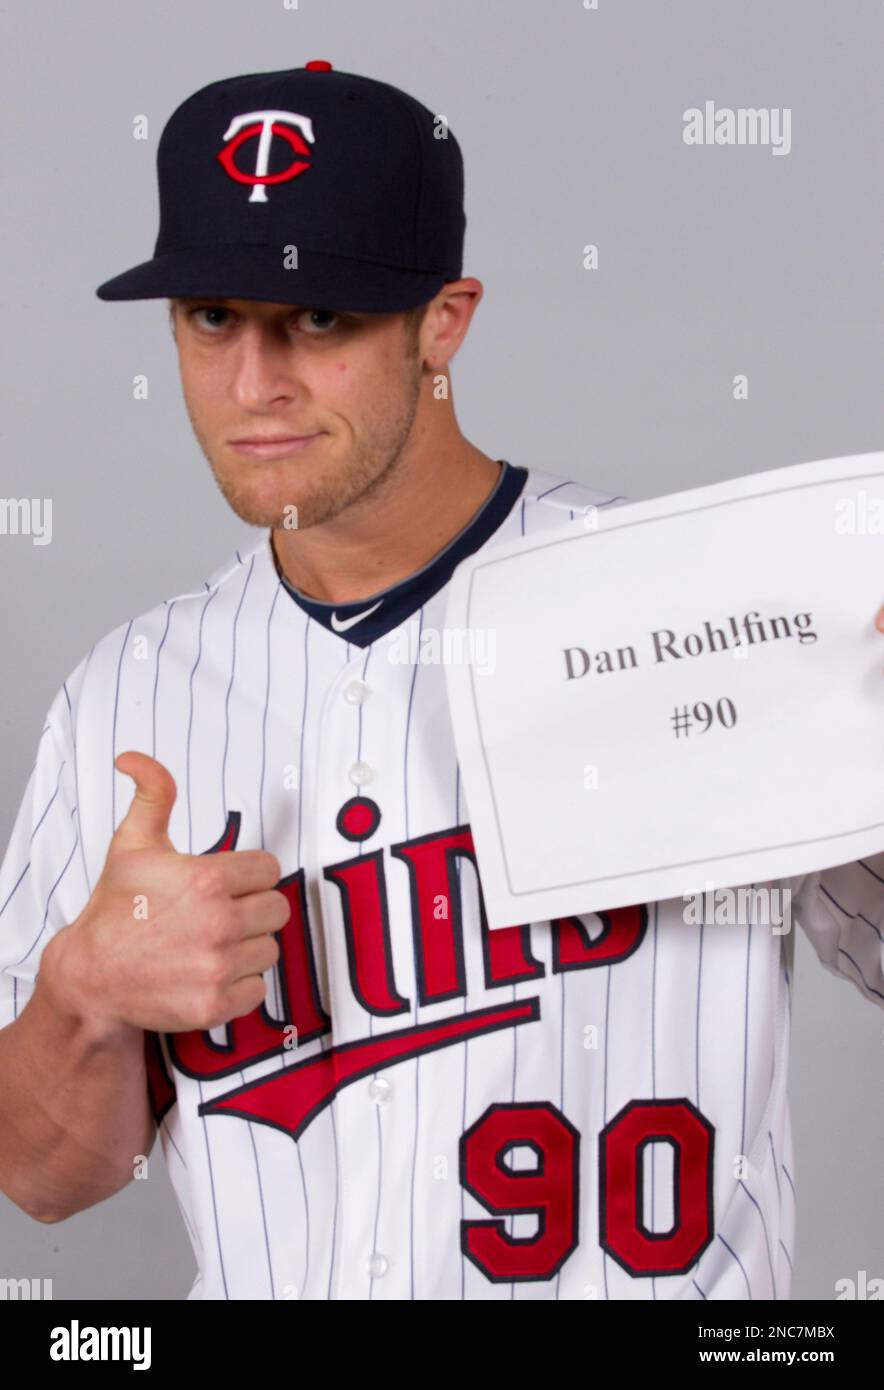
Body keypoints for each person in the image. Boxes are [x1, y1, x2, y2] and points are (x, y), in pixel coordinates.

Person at [0, 60, 882, 1302]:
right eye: (212, 316)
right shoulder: (123, 697)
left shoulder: (697, 601)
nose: (255, 384)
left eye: (318, 319)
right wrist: (85, 994)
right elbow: (43, 1174)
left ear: (444, 319)